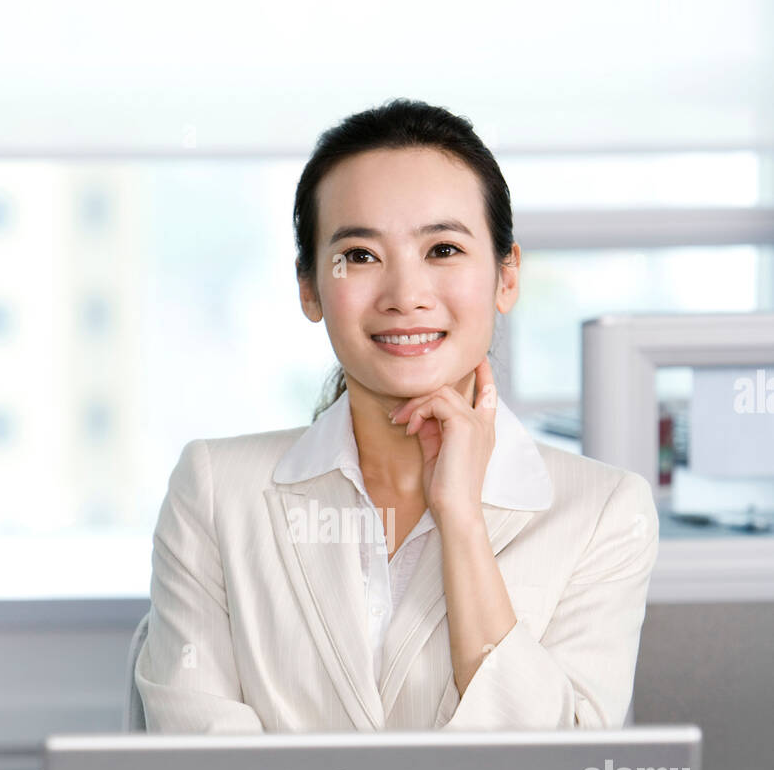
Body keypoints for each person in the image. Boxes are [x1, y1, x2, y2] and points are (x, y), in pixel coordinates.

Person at [135, 98, 658, 733]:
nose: (405, 296)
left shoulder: (604, 513)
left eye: (442, 249)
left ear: (507, 275)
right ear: (308, 287)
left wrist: (461, 520)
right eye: (359, 255)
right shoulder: (217, 490)